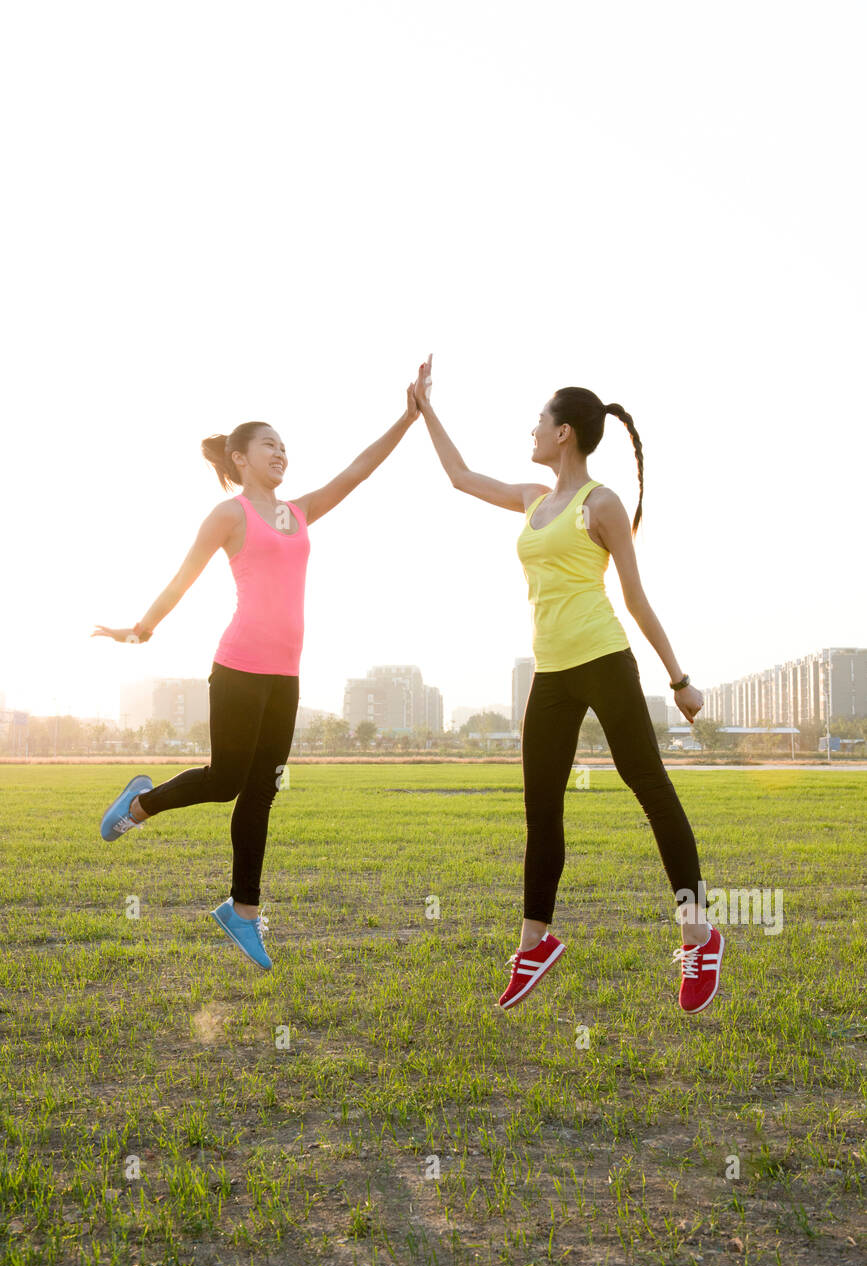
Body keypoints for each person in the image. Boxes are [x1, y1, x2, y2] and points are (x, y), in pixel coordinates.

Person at [412, 355, 723, 1014]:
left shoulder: (599, 503)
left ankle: (697, 932)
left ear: (563, 434)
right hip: (549, 672)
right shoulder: (532, 499)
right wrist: (425, 409)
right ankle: (535, 942)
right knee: (541, 809)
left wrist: (679, 680)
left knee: (650, 787)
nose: (530, 428)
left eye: (539, 420)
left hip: (604, 658)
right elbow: (460, 477)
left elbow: (634, 597)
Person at [92, 380, 421, 969]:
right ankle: (139, 805)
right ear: (240, 459)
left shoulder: (298, 513)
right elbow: (183, 576)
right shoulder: (229, 513)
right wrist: (139, 628)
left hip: (285, 675)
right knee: (225, 780)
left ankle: (242, 912)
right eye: (268, 445)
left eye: (284, 446)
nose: (280, 453)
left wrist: (408, 418)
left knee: (262, 791)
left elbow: (357, 472)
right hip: (239, 666)